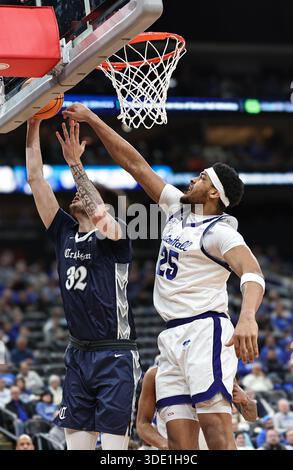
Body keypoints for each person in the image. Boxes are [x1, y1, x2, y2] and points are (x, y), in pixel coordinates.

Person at [62, 103, 265, 450]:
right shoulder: (177, 208)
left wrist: (247, 317)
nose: (192, 178)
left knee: (216, 433)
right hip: (171, 337)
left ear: (215, 193)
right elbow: (135, 164)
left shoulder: (220, 232)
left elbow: (252, 272)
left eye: (201, 177)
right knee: (181, 444)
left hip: (205, 330)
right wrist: (93, 120)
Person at [25, 119, 140, 450]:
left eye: (86, 192)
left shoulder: (115, 237)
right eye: (77, 189)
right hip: (78, 354)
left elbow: (101, 215)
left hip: (115, 355)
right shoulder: (63, 230)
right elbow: (35, 179)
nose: (77, 192)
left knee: (114, 453)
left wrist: (76, 163)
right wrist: (33, 123)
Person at [136, 364, 257, 449]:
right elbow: (142, 424)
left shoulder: (219, 369)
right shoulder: (155, 375)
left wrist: (246, 400)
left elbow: (252, 416)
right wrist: (165, 444)